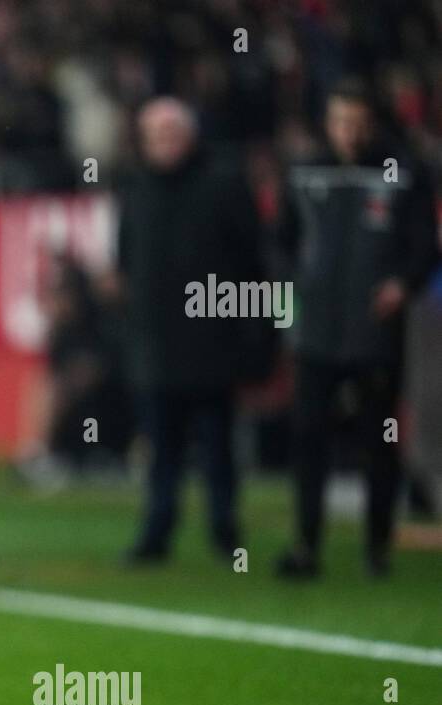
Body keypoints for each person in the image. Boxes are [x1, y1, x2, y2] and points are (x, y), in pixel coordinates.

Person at [274, 78, 438, 578]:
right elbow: (279, 242)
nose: (350, 132)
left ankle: (377, 547)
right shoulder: (304, 171)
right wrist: (294, 283)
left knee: (378, 441)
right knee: (309, 438)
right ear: (328, 123)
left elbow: (425, 246)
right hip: (316, 332)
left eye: (359, 123)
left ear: (373, 123)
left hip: (375, 333)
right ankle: (306, 546)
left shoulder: (403, 172)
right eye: (342, 122)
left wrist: (402, 284)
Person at [116, 98, 264, 564]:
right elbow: (125, 261)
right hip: (156, 346)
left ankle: (225, 531)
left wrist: (258, 332)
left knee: (219, 448)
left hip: (213, 344)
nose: (164, 143)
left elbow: (255, 261)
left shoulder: (224, 183)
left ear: (191, 135)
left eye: (172, 133)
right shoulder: (135, 187)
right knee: (162, 451)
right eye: (156, 135)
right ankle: (157, 532)